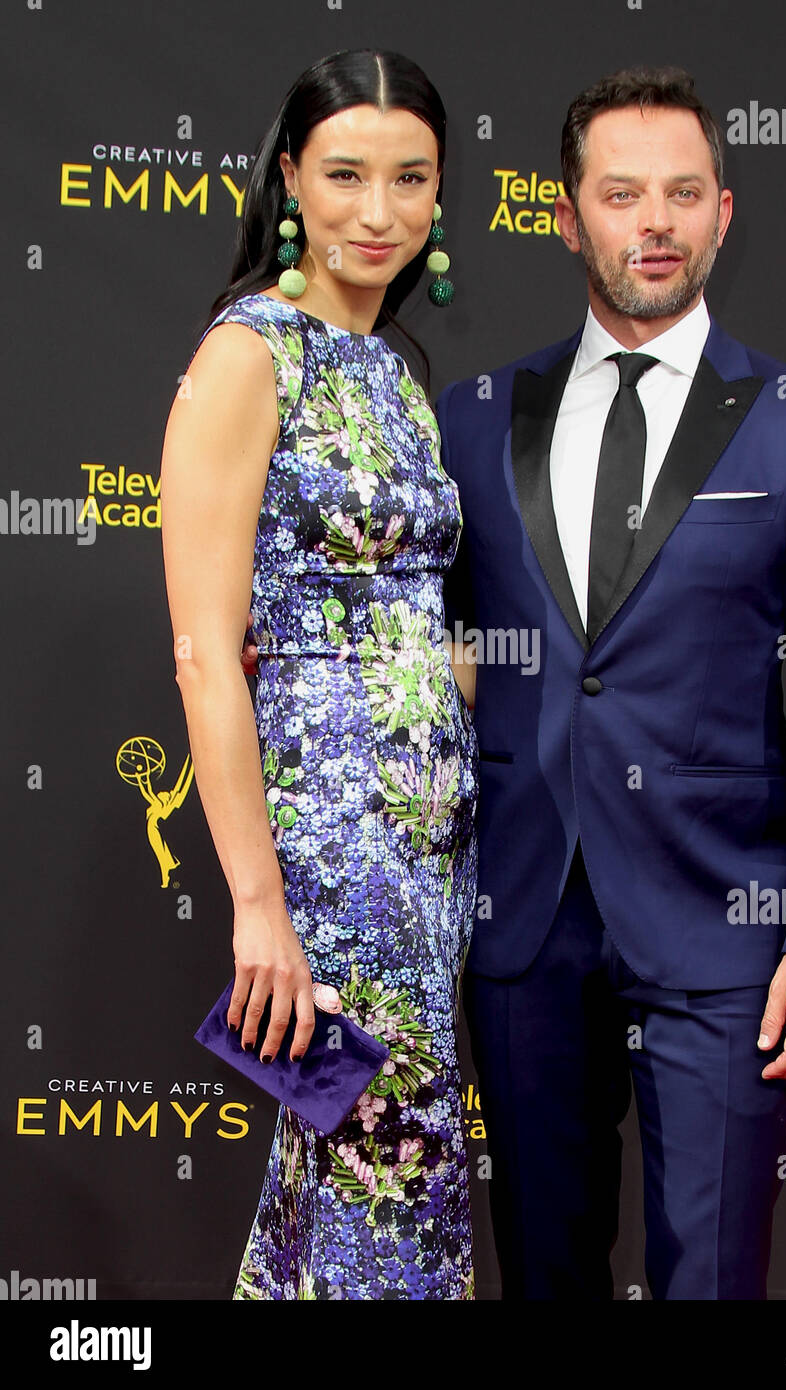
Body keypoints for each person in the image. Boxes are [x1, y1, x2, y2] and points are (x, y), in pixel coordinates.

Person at [433, 65, 786, 1299]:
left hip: (724, 924)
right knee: (541, 1270)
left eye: (684, 194)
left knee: (713, 1278)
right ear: (568, 215)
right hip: (524, 917)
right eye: (623, 193)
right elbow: (439, 644)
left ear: (724, 214)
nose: (656, 223)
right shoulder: (472, 418)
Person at [161, 48, 478, 1300]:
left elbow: (418, 631)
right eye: (346, 174)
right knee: (375, 1169)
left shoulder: (398, 372)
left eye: (412, 179)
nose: (379, 211)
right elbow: (203, 654)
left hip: (436, 848)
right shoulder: (250, 356)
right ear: (292, 176)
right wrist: (257, 904)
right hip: (329, 851)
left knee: (376, 1173)